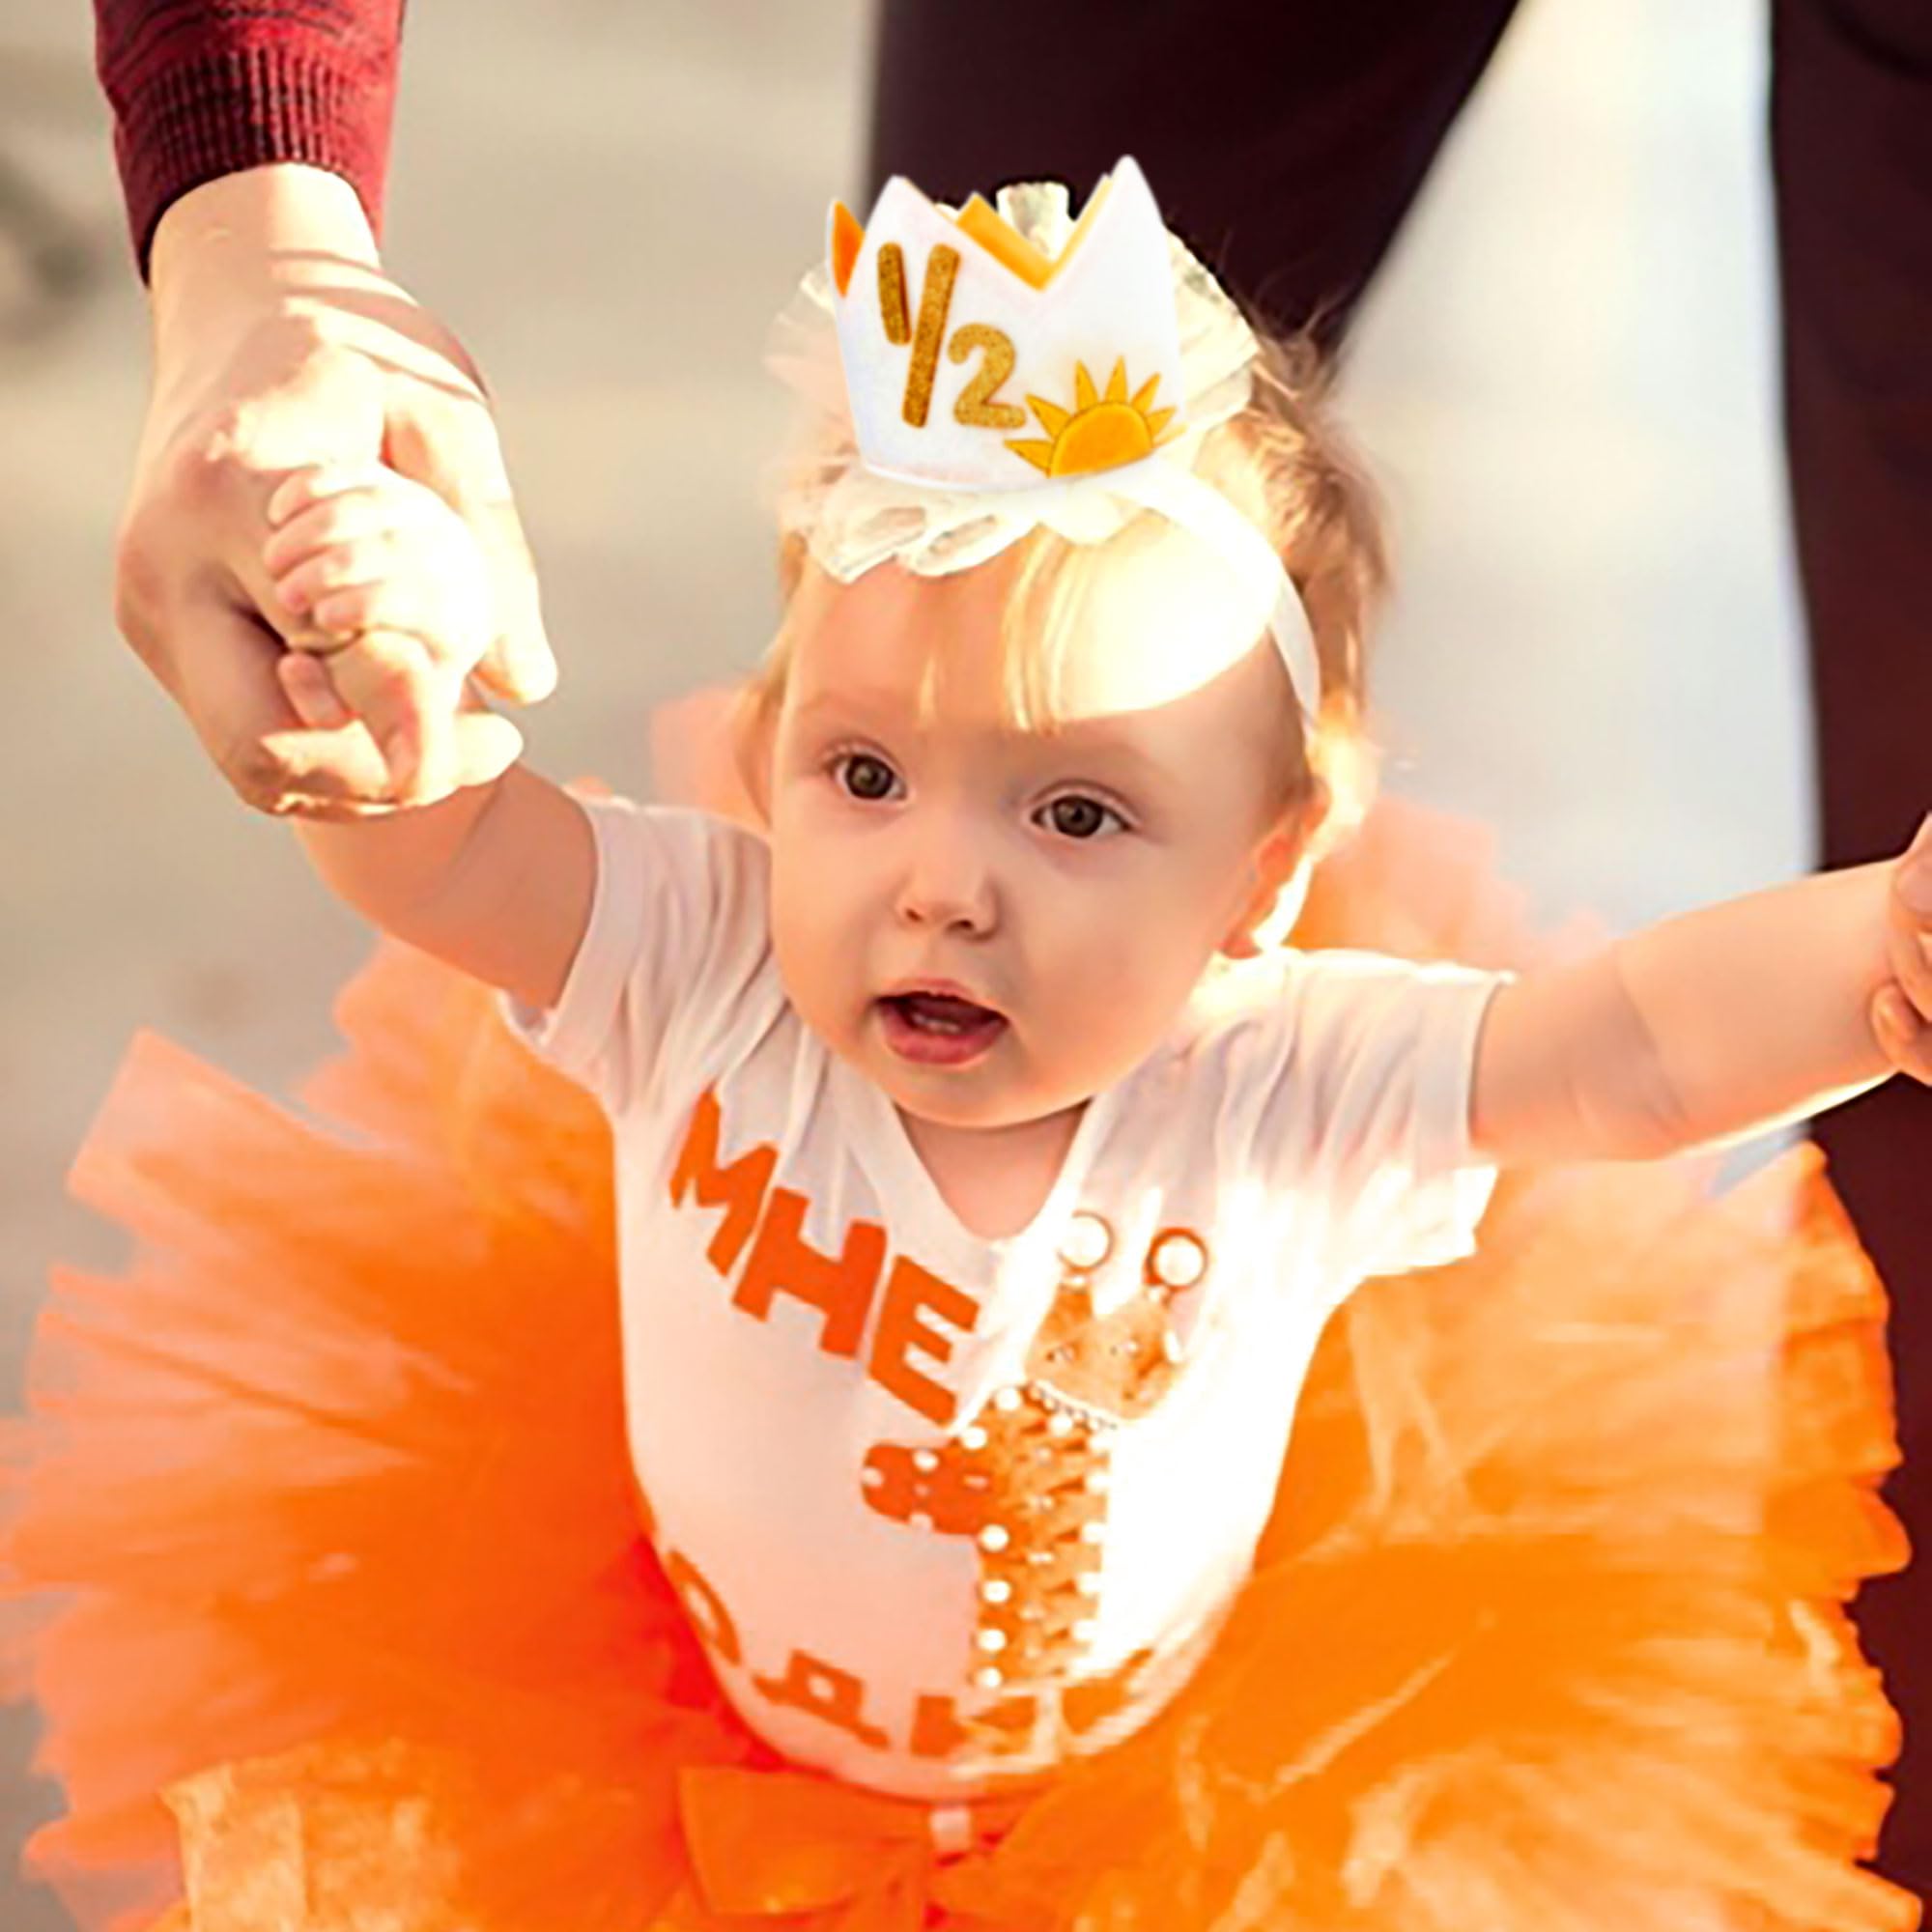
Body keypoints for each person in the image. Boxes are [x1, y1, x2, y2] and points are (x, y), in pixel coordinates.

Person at [7, 156, 1926, 1931]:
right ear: (771, 768)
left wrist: (1876, 944)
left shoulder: (1285, 1087)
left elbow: (1636, 1050)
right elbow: (451, 856)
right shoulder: (698, 961)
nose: (941, 884)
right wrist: (378, 691)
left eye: (1074, 813)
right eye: (864, 774)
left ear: (1260, 879)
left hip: (1147, 1812)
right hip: (688, 1763)